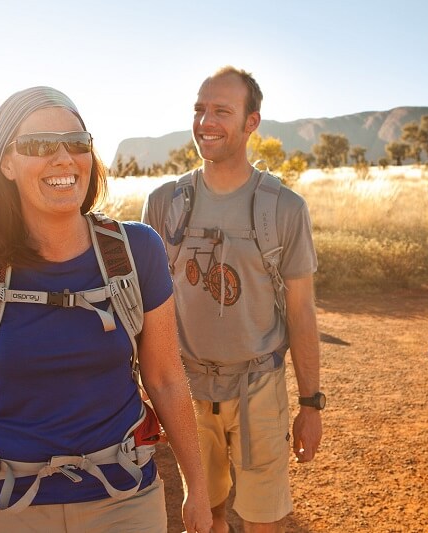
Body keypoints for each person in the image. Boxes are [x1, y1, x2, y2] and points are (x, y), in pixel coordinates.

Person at [0, 86, 212, 533]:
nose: (63, 158)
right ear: (6, 164)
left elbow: (166, 378)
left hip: (126, 501)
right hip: (6, 507)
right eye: (40, 146)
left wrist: (197, 487)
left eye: (77, 143)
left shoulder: (137, 250)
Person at [142, 66, 324, 532]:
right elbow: (146, 307)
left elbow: (302, 313)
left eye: (222, 111)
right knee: (205, 514)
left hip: (259, 387)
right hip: (188, 389)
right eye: (200, 110)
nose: (206, 121)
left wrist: (310, 405)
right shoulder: (164, 203)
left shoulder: (284, 208)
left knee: (264, 520)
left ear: (251, 122)